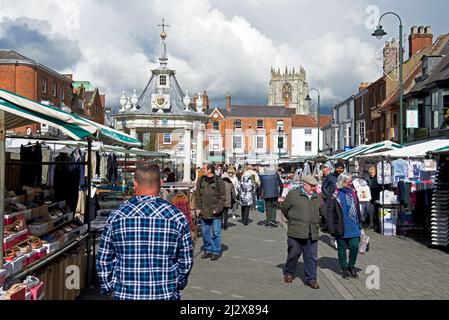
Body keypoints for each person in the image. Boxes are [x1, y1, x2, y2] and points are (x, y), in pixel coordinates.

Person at [96, 163, 193, 300]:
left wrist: (109, 288)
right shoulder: (176, 217)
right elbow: (186, 261)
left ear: (135, 184)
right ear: (161, 183)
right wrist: (177, 283)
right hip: (164, 294)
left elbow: (104, 260)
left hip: (126, 295)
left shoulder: (117, 217)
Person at [281, 176, 321, 289]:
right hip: (296, 231)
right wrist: (293, 219)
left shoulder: (316, 196)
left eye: (315, 186)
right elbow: (284, 209)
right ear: (305, 185)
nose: (314, 188)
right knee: (293, 254)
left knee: (311, 256)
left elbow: (319, 211)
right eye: (312, 186)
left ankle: (311, 279)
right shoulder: (293, 194)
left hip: (312, 231)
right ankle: (289, 273)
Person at [327, 172, 363, 280]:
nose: (350, 183)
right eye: (348, 181)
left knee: (354, 246)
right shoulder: (335, 194)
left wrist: (360, 222)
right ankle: (344, 268)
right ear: (342, 182)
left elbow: (357, 208)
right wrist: (331, 228)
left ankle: (351, 265)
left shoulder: (353, 192)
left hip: (354, 225)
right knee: (342, 248)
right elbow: (329, 212)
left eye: (351, 181)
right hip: (341, 226)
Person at [195, 164, 226, 260]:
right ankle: (208, 250)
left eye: (204, 168)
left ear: (209, 170)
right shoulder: (200, 180)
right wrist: (198, 208)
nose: (202, 170)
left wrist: (218, 209)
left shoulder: (219, 181)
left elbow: (223, 197)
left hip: (216, 212)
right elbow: (197, 196)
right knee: (205, 232)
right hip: (204, 211)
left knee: (216, 233)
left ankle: (216, 251)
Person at [322, 161, 345, 247]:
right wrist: (329, 196)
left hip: (342, 200)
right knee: (333, 218)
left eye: (341, 168)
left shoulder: (344, 176)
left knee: (341, 218)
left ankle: (341, 236)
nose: (339, 169)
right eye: (338, 168)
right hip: (332, 201)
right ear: (335, 168)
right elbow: (323, 188)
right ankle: (333, 236)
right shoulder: (330, 177)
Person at [367, 165, 381, 230]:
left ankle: (377, 224)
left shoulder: (378, 178)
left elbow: (378, 187)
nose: (371, 174)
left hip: (376, 196)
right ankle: (371, 224)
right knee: (371, 211)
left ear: (375, 172)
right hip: (370, 196)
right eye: (370, 173)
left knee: (377, 211)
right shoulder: (369, 178)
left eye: (372, 173)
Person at [320, 164, 331, 231]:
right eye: (323, 171)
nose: (324, 173)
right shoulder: (324, 177)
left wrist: (328, 194)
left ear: (328, 170)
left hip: (328, 197)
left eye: (325, 171)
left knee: (327, 212)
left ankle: (328, 226)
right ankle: (326, 225)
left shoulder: (330, 177)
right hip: (325, 197)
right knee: (325, 212)